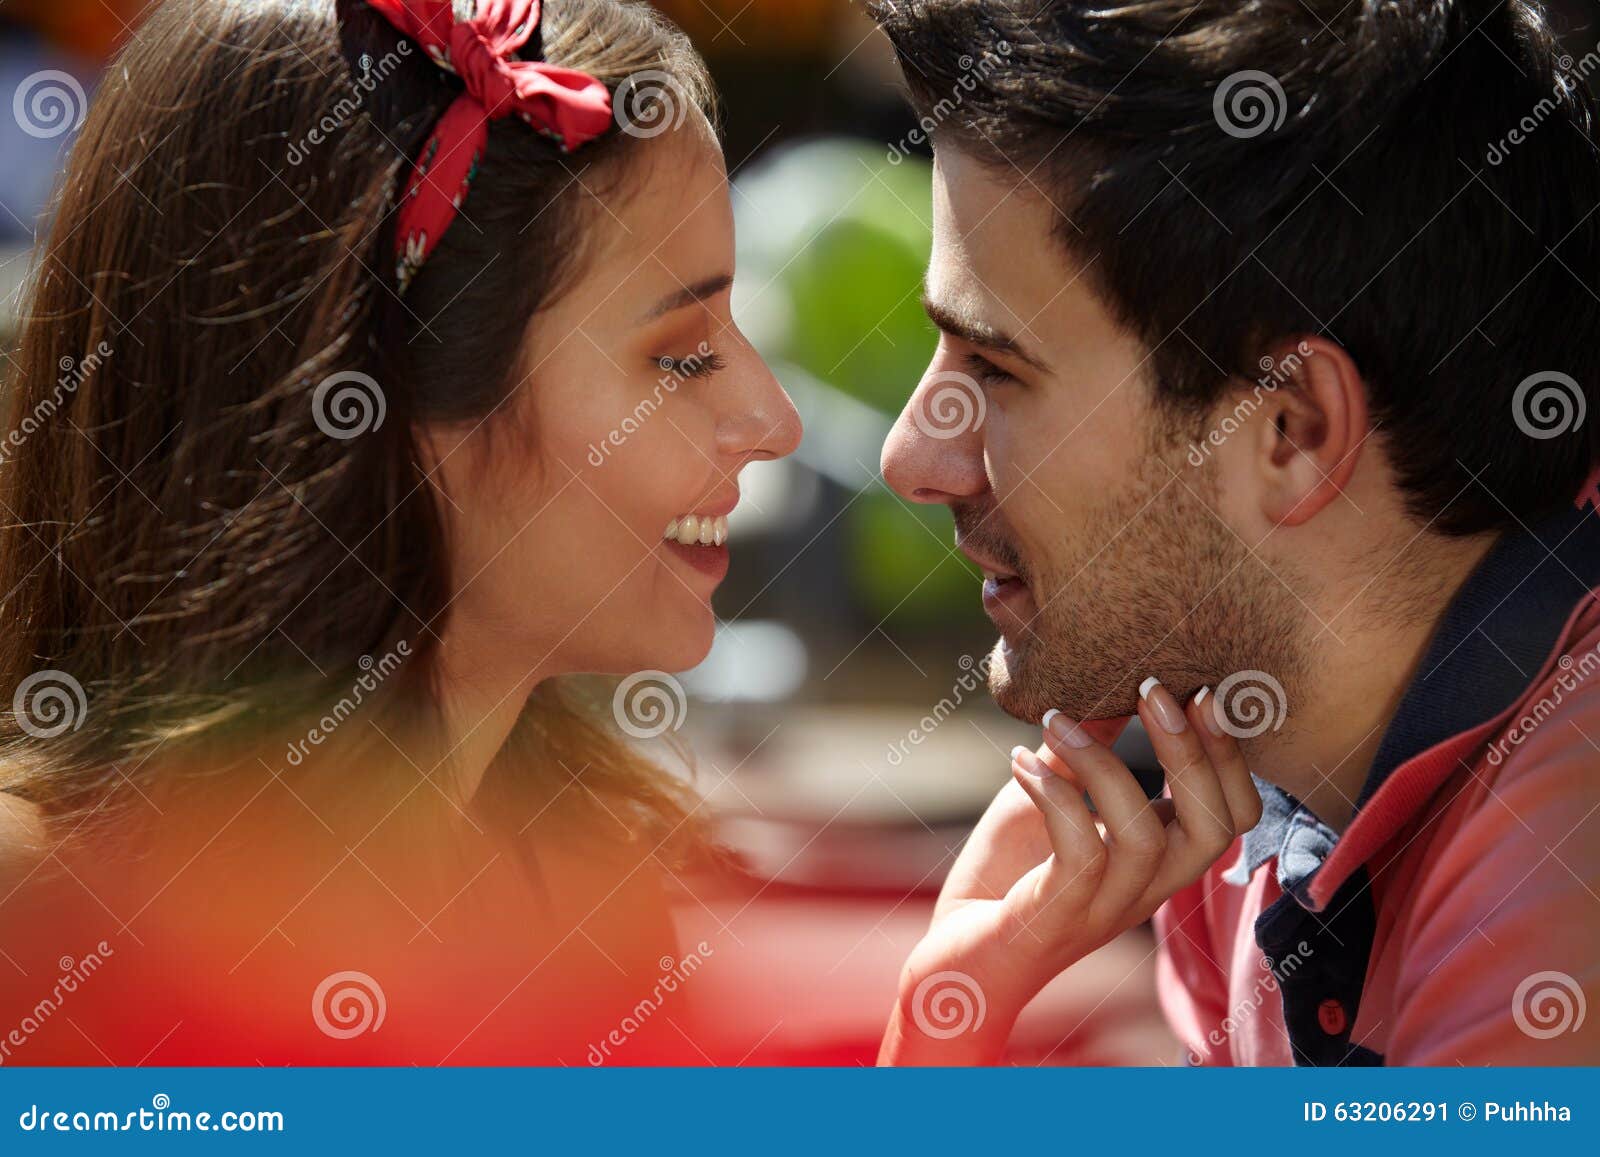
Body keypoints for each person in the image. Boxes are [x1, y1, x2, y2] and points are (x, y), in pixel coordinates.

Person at [0, 0, 799, 1064]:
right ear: (380, 395)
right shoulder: (40, 923)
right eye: (678, 353)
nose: (772, 420)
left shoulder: (593, 879)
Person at [872, 0, 1600, 1065]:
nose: (909, 458)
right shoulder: (1235, 793)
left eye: (994, 366)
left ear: (1292, 431)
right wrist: (950, 1009)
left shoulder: (1566, 856)